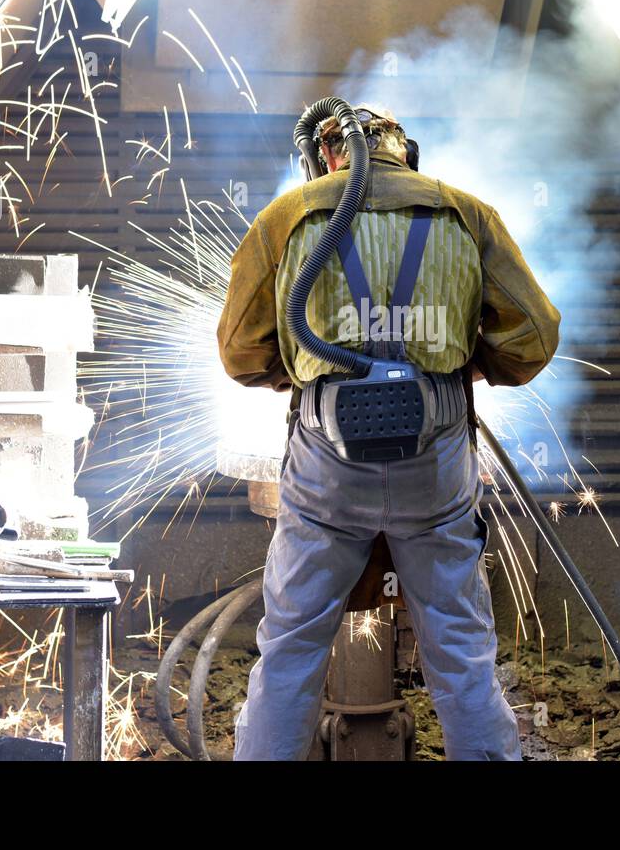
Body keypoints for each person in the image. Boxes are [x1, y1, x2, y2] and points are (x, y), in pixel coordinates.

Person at [217, 105, 560, 760]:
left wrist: (304, 366)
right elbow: (535, 334)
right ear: (407, 153)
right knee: (461, 648)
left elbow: (239, 350)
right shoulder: (466, 214)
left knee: (289, 650)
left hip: (327, 465)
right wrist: (459, 363)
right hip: (434, 462)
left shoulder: (288, 218)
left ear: (328, 154)